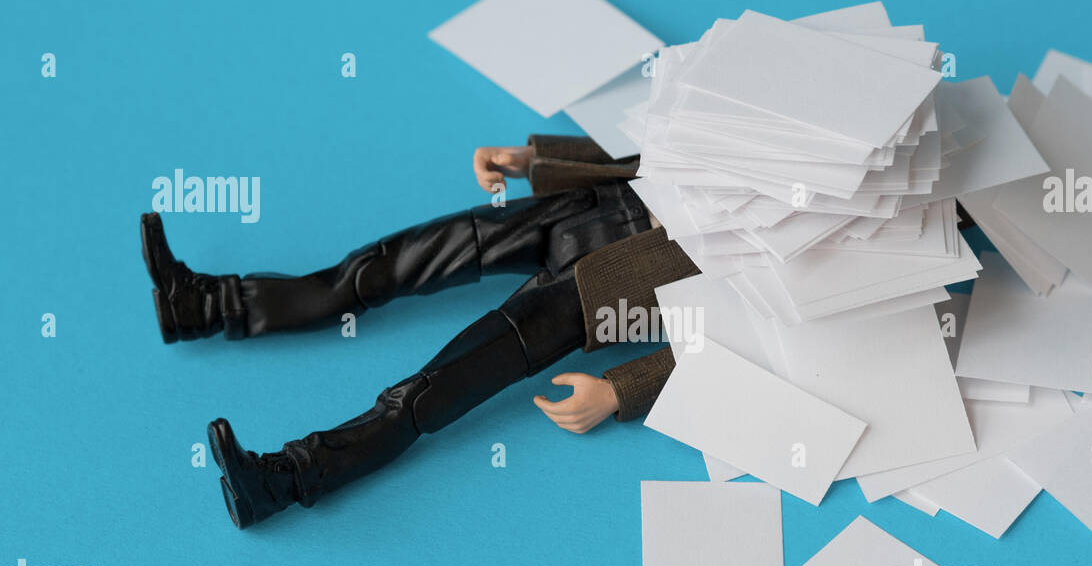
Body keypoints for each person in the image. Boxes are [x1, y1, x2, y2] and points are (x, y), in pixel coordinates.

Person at [140, 135, 697, 529]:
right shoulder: (766, 115)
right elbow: (659, 144)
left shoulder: (790, 245)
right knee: (377, 267)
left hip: (599, 296)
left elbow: (742, 338)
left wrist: (621, 390)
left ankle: (284, 480)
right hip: (588, 204)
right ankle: (203, 304)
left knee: (430, 392)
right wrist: (536, 158)